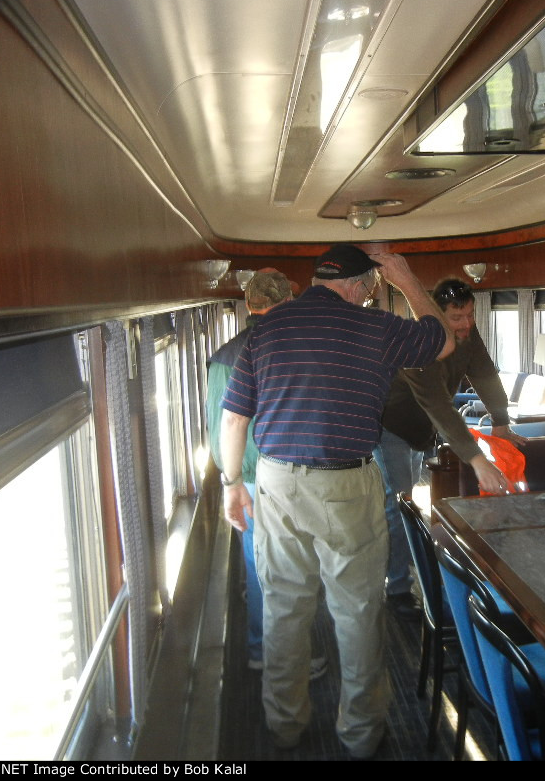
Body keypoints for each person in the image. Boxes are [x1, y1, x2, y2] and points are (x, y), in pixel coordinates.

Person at [219, 243, 453, 759]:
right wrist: (407, 278)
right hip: (347, 483)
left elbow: (235, 419)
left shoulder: (267, 330)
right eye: (372, 284)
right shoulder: (377, 328)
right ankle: (362, 735)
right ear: (365, 284)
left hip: (277, 483)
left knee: (283, 607)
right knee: (357, 609)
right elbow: (441, 342)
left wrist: (231, 483)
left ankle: (283, 728)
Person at [376, 278, 525, 619]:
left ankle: (421, 571)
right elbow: (439, 406)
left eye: (470, 314)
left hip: (421, 432)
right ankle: (398, 588)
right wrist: (476, 459)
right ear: (435, 317)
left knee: (410, 501)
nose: (466, 324)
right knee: (398, 506)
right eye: (457, 318)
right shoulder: (415, 343)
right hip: (392, 428)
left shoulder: (468, 337)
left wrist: (501, 420)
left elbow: (485, 373)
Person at [205, 268, 328, 680]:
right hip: (292, 475)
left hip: (246, 479)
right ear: (290, 303)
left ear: (248, 306)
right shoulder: (302, 348)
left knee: (261, 568)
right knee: (296, 569)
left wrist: (231, 480)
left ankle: (262, 649)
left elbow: (217, 425)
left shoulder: (223, 355)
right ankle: (293, 656)